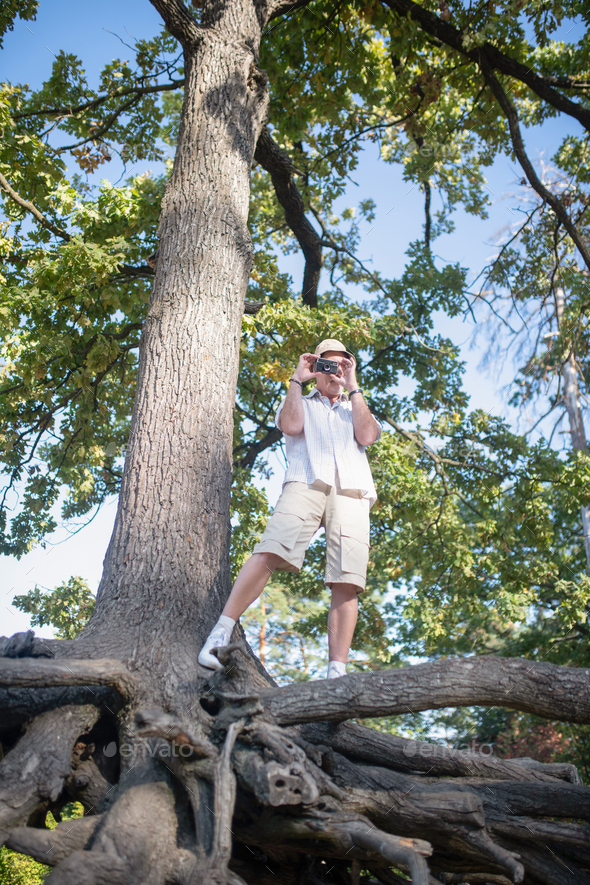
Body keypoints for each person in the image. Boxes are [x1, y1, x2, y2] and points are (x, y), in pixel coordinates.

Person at [198, 338, 381, 678]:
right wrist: (298, 379)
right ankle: (219, 632)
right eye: (328, 364)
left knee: (347, 577)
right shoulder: (301, 399)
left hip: (352, 490)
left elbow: (368, 436)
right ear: (316, 366)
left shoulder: (355, 405)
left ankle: (336, 671)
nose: (335, 371)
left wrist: (353, 387)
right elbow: (291, 425)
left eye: (342, 364)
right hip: (306, 481)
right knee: (271, 549)